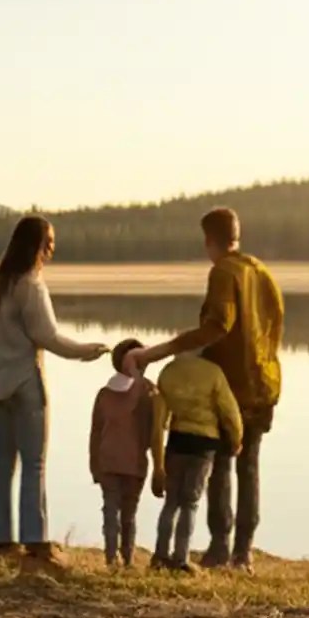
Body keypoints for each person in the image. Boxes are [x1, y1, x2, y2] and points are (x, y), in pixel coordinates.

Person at [124, 207, 283, 573]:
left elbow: (218, 326)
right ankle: (244, 552)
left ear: (209, 240)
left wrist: (160, 351)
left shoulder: (224, 272)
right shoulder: (260, 271)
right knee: (249, 466)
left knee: (222, 464)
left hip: (231, 387)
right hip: (265, 383)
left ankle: (220, 548)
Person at [0, 216, 109, 572]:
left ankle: (1, 543)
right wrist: (87, 351)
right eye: (48, 242)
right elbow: (48, 337)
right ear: (34, 246)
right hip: (25, 384)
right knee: (34, 463)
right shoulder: (31, 285)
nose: (52, 249)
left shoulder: (0, 282)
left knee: (3, 463)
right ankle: (36, 544)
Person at [148, 351, 244, 573]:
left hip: (177, 440)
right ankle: (181, 558)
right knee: (190, 503)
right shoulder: (213, 373)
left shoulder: (169, 372)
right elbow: (229, 411)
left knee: (171, 502)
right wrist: (236, 438)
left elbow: (159, 422)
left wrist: (158, 464)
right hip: (204, 444)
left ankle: (160, 555)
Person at [89, 339, 156, 568]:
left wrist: (94, 464)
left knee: (110, 510)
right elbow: (155, 429)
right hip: (135, 462)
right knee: (129, 514)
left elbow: (96, 432)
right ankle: (126, 558)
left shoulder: (104, 393)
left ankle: (111, 557)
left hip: (107, 460)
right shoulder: (147, 391)